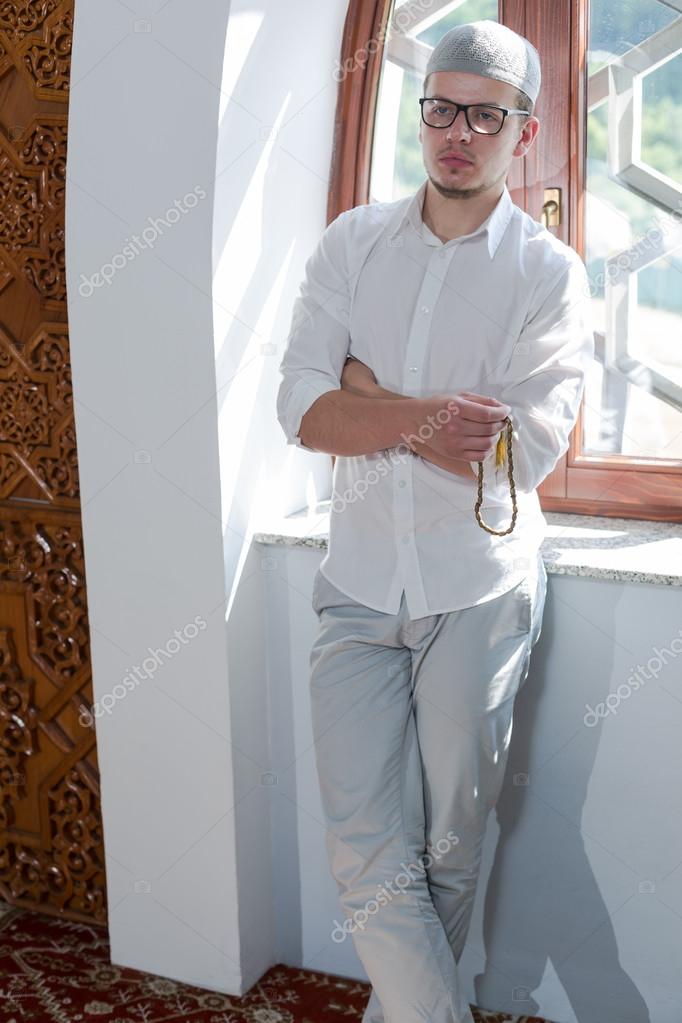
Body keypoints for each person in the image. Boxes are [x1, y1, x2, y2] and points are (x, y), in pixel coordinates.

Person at [276, 19, 594, 1023]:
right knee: (364, 849)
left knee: (449, 851)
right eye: (442, 108)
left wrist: (370, 397)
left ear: (525, 133)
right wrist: (426, 418)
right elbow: (301, 411)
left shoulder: (548, 274)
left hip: (478, 590)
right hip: (359, 584)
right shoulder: (352, 243)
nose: (458, 132)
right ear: (421, 115)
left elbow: (515, 460)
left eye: (485, 117)